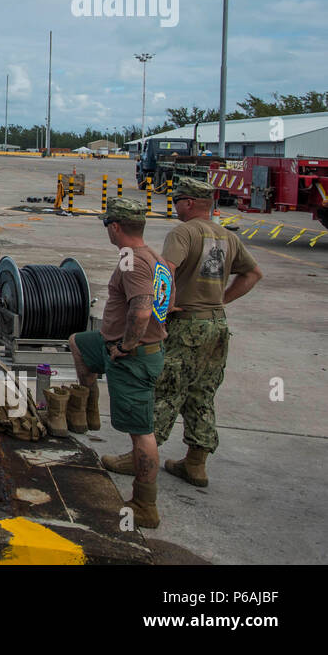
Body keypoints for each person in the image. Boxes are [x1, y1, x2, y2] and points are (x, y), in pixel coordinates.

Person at [105, 176, 261, 489]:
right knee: (202, 391)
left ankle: (141, 456)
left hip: (188, 325)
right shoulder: (226, 236)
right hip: (216, 325)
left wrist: (165, 309)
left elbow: (165, 274)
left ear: (189, 203)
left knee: (165, 388)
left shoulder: (183, 232)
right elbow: (253, 274)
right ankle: (196, 463)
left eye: (177, 200)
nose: (175, 205)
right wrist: (219, 301)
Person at [67, 198, 172, 528]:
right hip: (114, 347)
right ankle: (90, 410)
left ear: (115, 227)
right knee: (78, 344)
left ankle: (144, 504)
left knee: (142, 433)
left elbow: (141, 310)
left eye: (107, 226)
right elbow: (167, 304)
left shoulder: (133, 262)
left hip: (132, 357)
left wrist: (127, 346)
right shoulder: (157, 259)